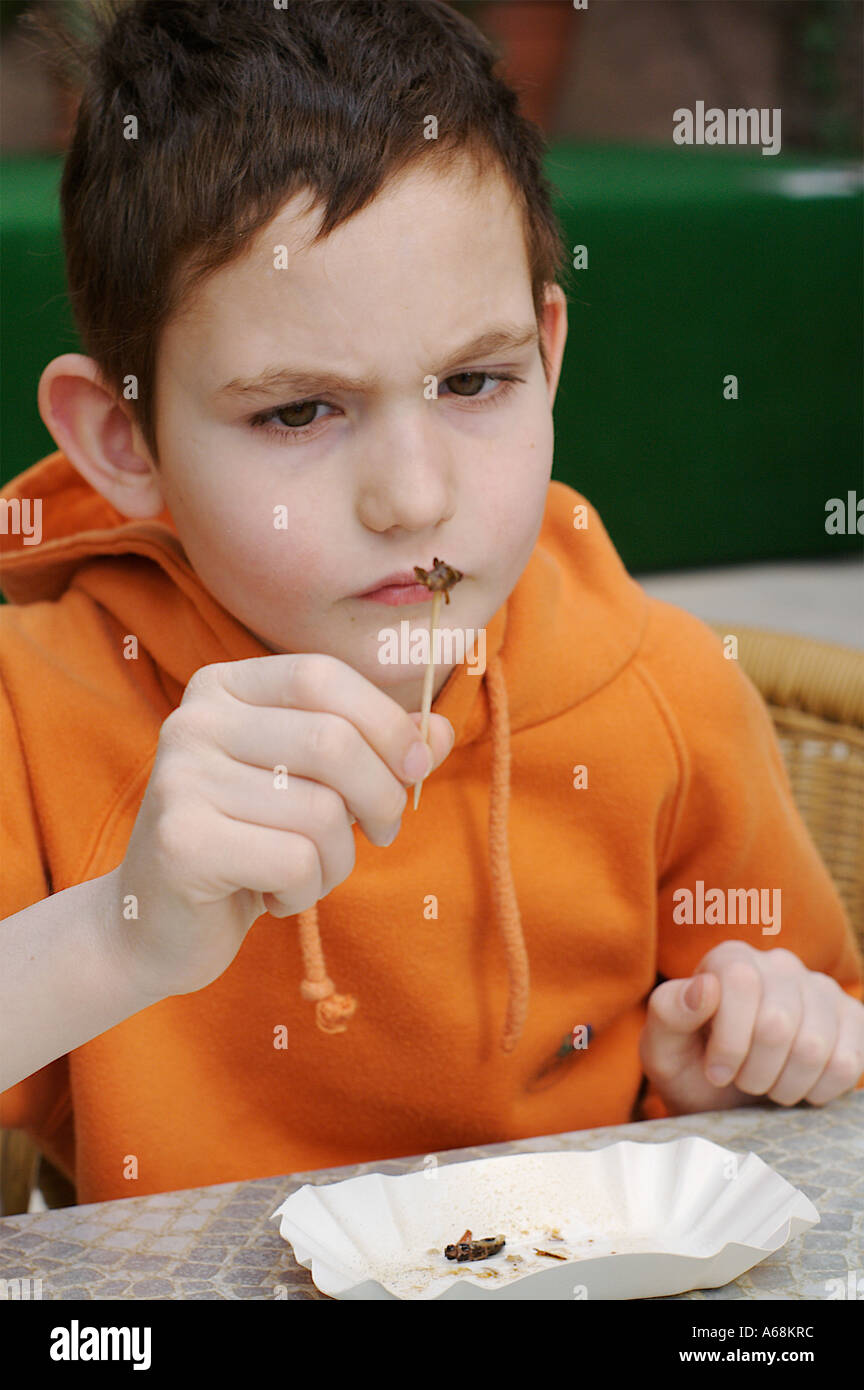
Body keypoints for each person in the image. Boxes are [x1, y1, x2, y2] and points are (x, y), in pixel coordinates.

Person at [1, 0, 861, 1207]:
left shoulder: (667, 691)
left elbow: (819, 1079)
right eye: (298, 411)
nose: (414, 497)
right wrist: (115, 937)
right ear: (121, 438)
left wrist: (739, 1075)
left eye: (474, 380)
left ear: (549, 356)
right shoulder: (34, 705)